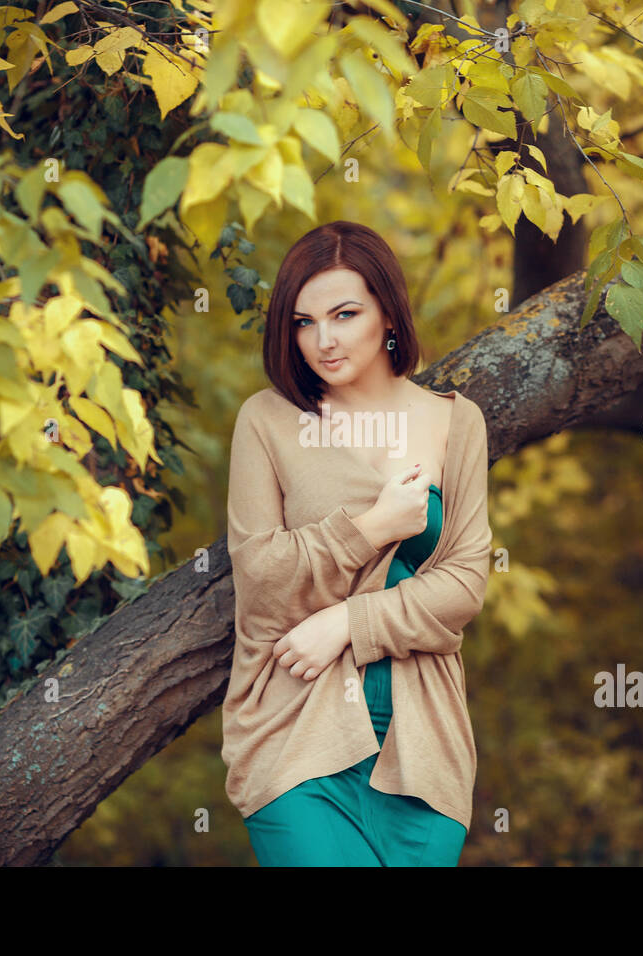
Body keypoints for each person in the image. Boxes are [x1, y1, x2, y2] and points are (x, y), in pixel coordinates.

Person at [221, 220, 493, 866]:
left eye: (344, 314)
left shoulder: (456, 423)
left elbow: (464, 585)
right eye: (304, 322)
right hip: (295, 736)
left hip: (421, 751)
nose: (324, 340)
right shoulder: (268, 421)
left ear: (388, 313)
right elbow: (260, 581)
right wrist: (373, 528)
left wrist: (347, 622)